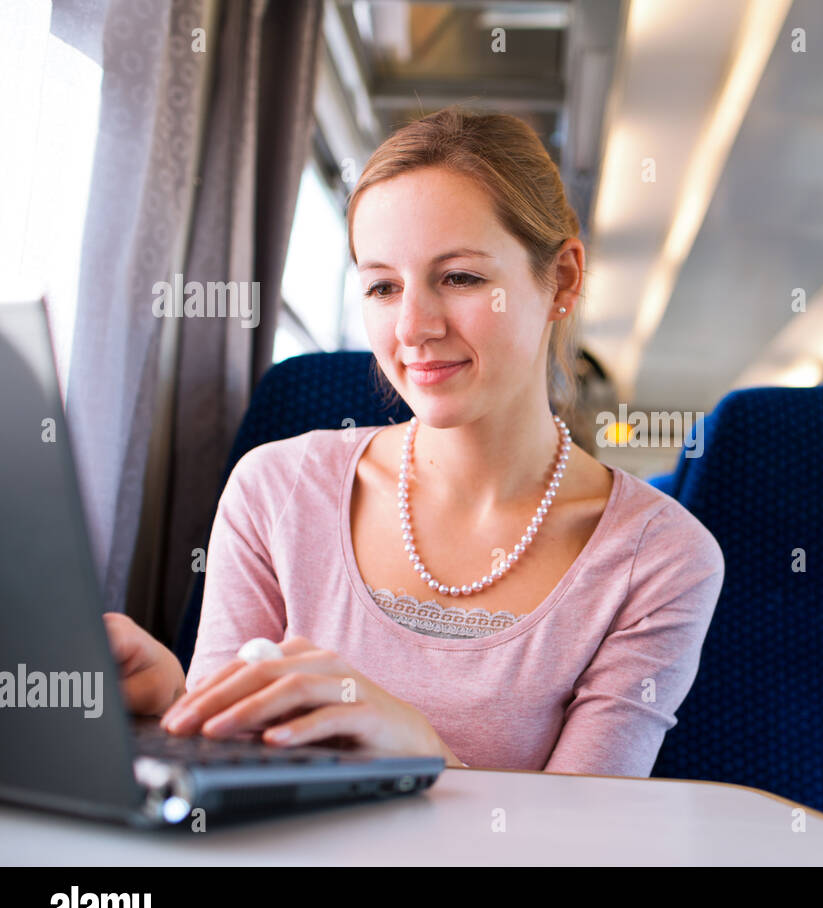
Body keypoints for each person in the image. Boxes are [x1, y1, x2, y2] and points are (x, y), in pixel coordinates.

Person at [105, 107, 725, 776]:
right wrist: (173, 703)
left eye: (459, 278)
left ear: (563, 280)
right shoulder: (274, 489)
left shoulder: (661, 558)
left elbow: (577, 844)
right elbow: (225, 772)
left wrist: (420, 755)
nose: (413, 327)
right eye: (382, 286)